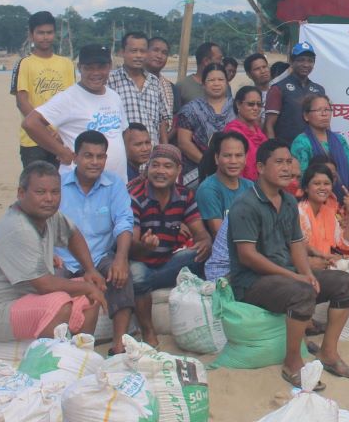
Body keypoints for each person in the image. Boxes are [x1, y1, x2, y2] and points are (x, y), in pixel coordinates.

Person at [228, 138, 349, 387]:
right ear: (259, 167)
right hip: (251, 282)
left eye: (289, 162)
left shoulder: (288, 201)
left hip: (285, 275)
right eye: (278, 162)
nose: (286, 167)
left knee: (345, 282)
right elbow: (248, 256)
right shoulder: (245, 205)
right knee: (301, 292)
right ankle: (292, 362)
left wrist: (306, 273)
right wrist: (297, 277)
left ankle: (328, 353)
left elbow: (296, 243)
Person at [0, 162, 108, 342]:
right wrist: (86, 286)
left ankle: (78, 357)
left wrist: (90, 270)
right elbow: (44, 285)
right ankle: (48, 361)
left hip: (28, 300)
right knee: (60, 302)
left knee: (91, 293)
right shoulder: (18, 228)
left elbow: (73, 234)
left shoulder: (48, 215)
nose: (49, 198)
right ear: (21, 193)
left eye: (55, 192)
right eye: (40, 192)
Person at [55, 131, 136, 354]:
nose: (94, 162)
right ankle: (61, 347)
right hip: (64, 259)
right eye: (88, 156)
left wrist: (121, 259)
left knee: (122, 275)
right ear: (76, 157)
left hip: (100, 257)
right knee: (51, 289)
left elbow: (124, 222)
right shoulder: (58, 185)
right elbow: (39, 222)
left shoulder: (114, 185)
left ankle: (119, 345)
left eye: (100, 157)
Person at [127, 147, 210, 344]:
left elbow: (201, 234)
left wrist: (205, 241)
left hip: (166, 263)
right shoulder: (135, 196)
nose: (160, 171)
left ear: (178, 170)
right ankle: (148, 331)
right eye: (155, 165)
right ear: (147, 169)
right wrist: (144, 246)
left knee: (201, 254)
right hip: (139, 261)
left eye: (167, 166)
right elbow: (130, 246)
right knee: (138, 275)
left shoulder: (184, 195)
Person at [22, 44, 127, 178]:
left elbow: (123, 133)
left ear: (109, 67)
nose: (95, 73)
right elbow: (30, 123)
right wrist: (61, 151)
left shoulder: (114, 96)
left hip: (116, 184)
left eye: (101, 67)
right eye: (88, 68)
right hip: (80, 186)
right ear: (79, 68)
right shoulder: (68, 98)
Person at [11, 10, 75, 167]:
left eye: (49, 32)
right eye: (40, 33)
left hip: (61, 137)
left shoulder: (66, 63)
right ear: (31, 35)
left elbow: (72, 99)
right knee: (36, 185)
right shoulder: (24, 63)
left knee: (61, 186)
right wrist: (44, 127)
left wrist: (58, 130)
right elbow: (22, 102)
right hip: (33, 139)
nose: (45, 37)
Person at [198, 132, 255, 281]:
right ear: (217, 158)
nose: (233, 161)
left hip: (249, 251)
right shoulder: (209, 189)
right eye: (227, 155)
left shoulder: (250, 186)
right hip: (226, 260)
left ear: (246, 158)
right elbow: (220, 235)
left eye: (239, 155)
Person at [174, 62, 234, 190]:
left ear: (227, 83)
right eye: (211, 80)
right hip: (198, 169)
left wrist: (228, 164)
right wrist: (209, 164)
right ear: (203, 84)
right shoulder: (191, 110)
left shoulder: (237, 108)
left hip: (235, 167)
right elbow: (184, 142)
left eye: (220, 79)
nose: (216, 83)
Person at [290, 94, 349, 198]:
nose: (324, 114)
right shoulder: (301, 142)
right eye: (319, 110)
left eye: (327, 110)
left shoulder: (339, 139)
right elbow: (302, 179)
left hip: (346, 203)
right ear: (306, 116)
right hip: (315, 203)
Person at [108, 31, 170, 144]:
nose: (138, 55)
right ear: (122, 52)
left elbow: (162, 121)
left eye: (143, 51)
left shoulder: (154, 82)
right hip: (123, 153)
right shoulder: (111, 80)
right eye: (134, 51)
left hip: (151, 153)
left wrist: (164, 149)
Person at [264, 42, 326, 144]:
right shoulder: (278, 88)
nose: (306, 65)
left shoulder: (319, 90)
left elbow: (324, 122)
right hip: (287, 151)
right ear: (292, 61)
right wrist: (273, 149)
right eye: (301, 60)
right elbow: (269, 125)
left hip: (314, 150)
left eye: (310, 61)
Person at [302, 162, 349, 266]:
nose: (322, 188)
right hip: (307, 267)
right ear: (306, 188)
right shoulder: (300, 212)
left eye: (326, 184)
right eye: (317, 183)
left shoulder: (328, 213)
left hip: (327, 264)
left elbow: (346, 244)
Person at [221, 85, 268, 181]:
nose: (255, 108)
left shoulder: (259, 132)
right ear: (238, 104)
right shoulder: (233, 132)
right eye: (251, 104)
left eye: (259, 104)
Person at [174, 41, 223, 112]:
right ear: (206, 61)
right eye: (219, 59)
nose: (221, 64)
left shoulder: (223, 85)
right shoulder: (182, 86)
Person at [145, 36, 176, 121]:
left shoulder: (171, 88)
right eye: (155, 50)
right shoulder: (130, 82)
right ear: (145, 51)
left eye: (164, 53)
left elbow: (175, 121)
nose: (159, 56)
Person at [243, 53, 273, 117]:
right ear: (249, 74)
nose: (263, 71)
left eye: (264, 67)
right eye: (257, 69)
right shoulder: (247, 96)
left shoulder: (280, 90)